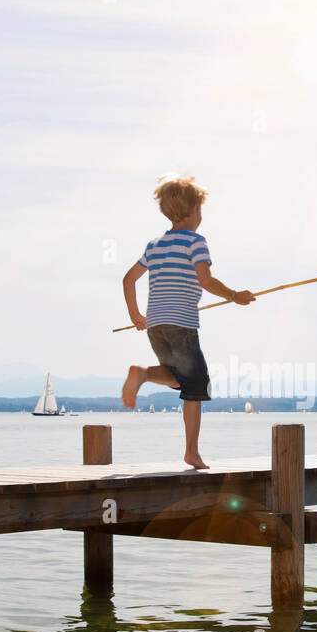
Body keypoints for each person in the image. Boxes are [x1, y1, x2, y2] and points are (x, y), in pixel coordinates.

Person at [121, 174, 254, 469]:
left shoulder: (154, 245)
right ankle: (191, 452)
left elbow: (128, 279)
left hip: (155, 324)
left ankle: (143, 374)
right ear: (195, 210)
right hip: (181, 323)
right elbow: (205, 280)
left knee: (177, 378)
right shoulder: (196, 242)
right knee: (195, 386)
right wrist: (234, 295)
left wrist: (135, 315)